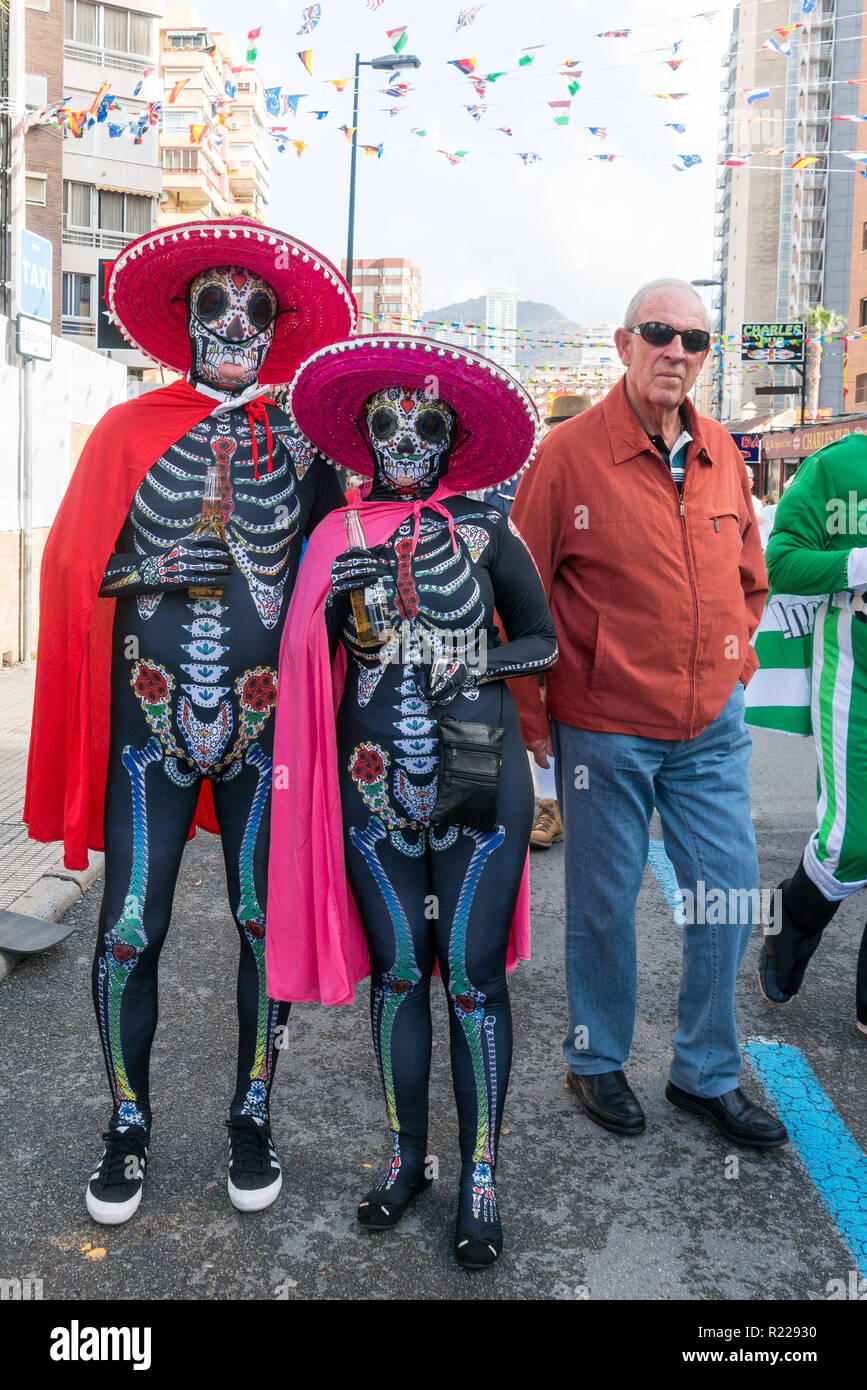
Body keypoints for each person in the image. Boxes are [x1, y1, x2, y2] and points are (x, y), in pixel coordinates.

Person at [24, 216, 356, 1223]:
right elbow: (76, 568)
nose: (237, 323)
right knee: (131, 927)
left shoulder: (302, 442)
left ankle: (251, 1114)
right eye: (217, 302)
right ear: (183, 320)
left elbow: (338, 576)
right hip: (147, 734)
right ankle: (126, 1123)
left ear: (276, 324)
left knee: (263, 919)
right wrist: (152, 567)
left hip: (265, 735)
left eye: (257, 306)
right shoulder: (129, 430)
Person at [266, 334, 558, 1269]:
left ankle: (480, 1174)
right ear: (362, 434)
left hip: (478, 777)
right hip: (370, 789)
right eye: (385, 421)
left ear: (448, 434)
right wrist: (323, 610)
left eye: (423, 420)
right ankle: (406, 1158)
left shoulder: (484, 529)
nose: (403, 437)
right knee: (399, 975)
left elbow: (543, 641)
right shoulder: (331, 536)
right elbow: (299, 666)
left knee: (470, 981)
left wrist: (471, 657)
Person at [509, 278, 788, 1148]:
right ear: (624, 342)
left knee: (728, 898)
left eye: (694, 341)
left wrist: (734, 660)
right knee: (602, 906)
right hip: (604, 727)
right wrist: (536, 724)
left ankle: (702, 1074)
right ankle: (595, 1062)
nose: (676, 353)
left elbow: (750, 574)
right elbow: (519, 600)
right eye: (660, 334)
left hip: (709, 727)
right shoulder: (566, 456)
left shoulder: (721, 455)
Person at [755, 434, 867, 1034]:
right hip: (857, 663)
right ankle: (791, 919)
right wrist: (859, 563)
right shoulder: (836, 464)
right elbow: (781, 560)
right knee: (852, 837)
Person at [528, 393, 593, 850]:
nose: (562, 431)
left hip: (585, 631)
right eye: (558, 423)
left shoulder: (599, 475)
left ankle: (573, 800)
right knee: (540, 706)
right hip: (539, 618)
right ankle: (549, 803)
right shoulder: (531, 472)